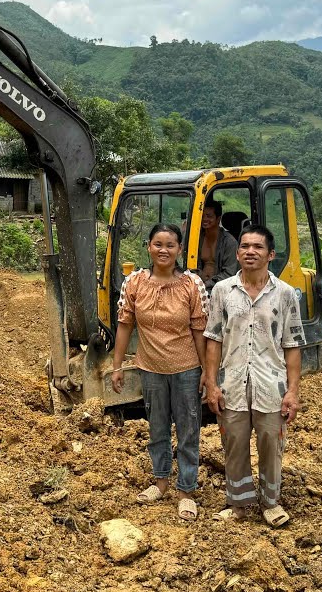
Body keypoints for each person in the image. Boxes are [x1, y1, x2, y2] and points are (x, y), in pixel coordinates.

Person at [202, 224, 305, 527]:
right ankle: (238, 503)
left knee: (271, 443)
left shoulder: (285, 294)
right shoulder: (222, 291)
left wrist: (293, 391)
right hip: (232, 382)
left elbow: (293, 345)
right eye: (245, 246)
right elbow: (214, 339)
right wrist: (211, 383)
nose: (250, 251)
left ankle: (270, 503)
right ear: (237, 253)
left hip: (271, 385)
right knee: (233, 442)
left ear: (270, 254)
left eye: (258, 247)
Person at [110, 223, 209, 521]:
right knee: (157, 428)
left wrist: (207, 371)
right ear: (149, 247)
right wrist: (117, 366)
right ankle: (161, 482)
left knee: (189, 429)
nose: (163, 250)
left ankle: (186, 491)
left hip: (187, 369)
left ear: (180, 250)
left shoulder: (192, 284)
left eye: (170, 245)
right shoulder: (135, 283)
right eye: (157, 244)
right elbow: (125, 324)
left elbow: (199, 330)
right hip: (150, 369)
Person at [196, 201, 238, 291]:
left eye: (209, 216)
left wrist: (206, 285)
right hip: (199, 288)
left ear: (218, 219)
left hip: (222, 290)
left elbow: (229, 273)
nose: (204, 219)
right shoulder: (196, 239)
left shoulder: (229, 242)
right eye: (202, 216)